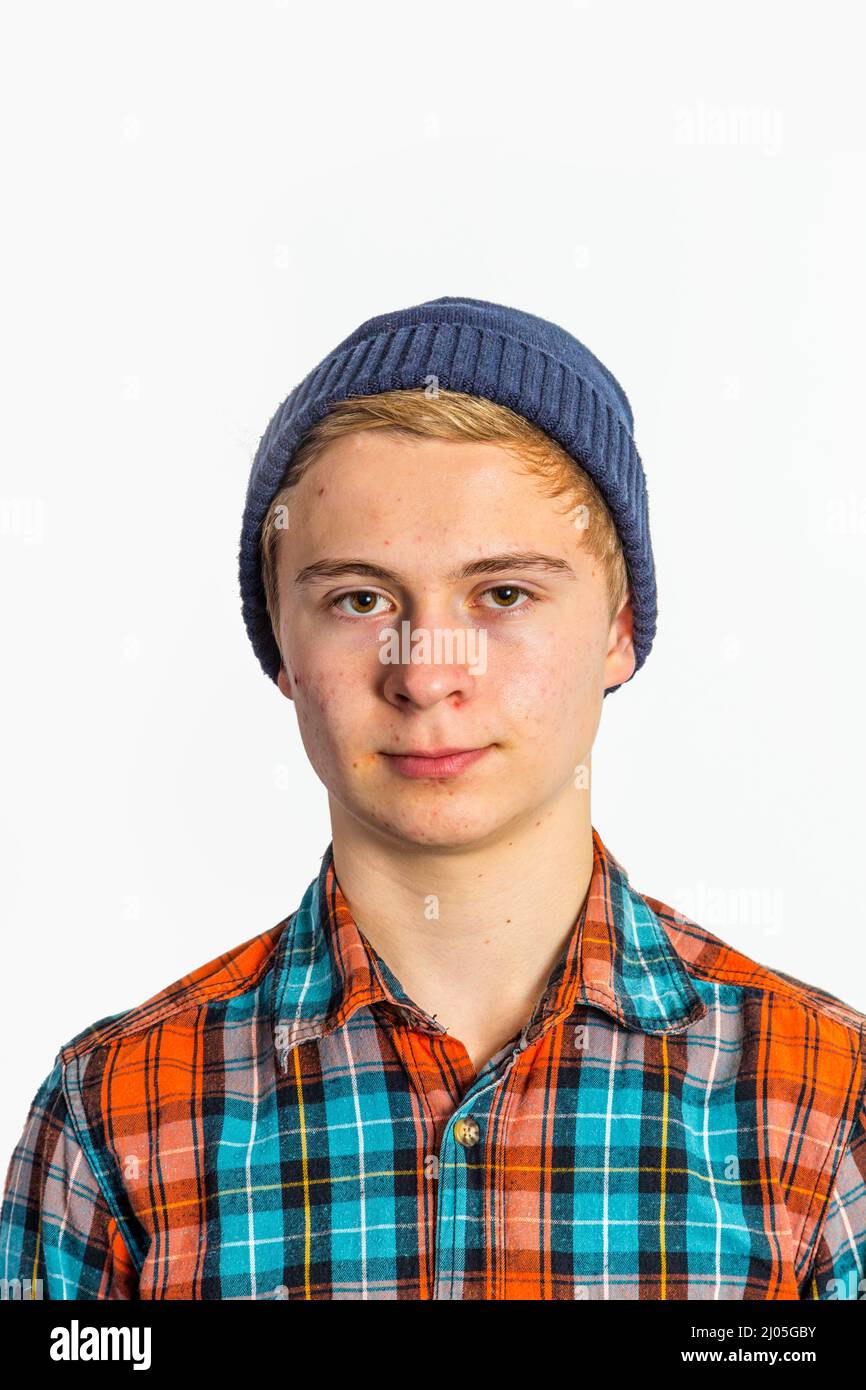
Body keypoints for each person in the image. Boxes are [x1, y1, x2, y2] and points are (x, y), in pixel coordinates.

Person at [2, 295, 864, 1301]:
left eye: (502, 593)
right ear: (279, 643)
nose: (424, 674)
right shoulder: (113, 1120)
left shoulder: (825, 1103)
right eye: (359, 599)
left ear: (620, 627)